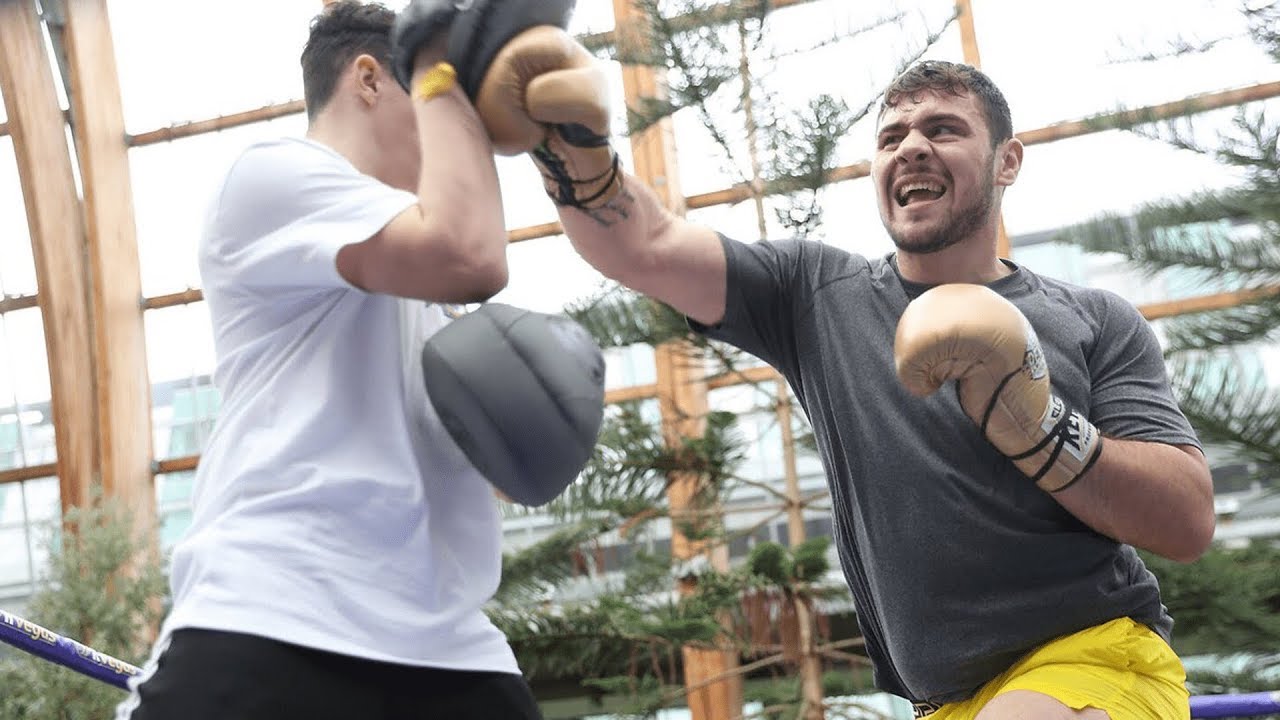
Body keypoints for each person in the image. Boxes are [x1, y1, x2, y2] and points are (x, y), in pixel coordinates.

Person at [473, 27, 1217, 720]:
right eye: (892, 138)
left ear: (1008, 161)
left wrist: (1040, 424)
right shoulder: (818, 296)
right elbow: (648, 248)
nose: (911, 148)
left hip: (1096, 657)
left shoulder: (1093, 318)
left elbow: (1186, 523)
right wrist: (573, 151)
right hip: (947, 700)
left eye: (943, 129)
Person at [114, 3, 545, 718]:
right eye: (434, 94)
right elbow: (471, 253)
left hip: (445, 643)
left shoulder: (423, 296)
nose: (454, 124)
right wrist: (445, 69)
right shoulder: (272, 176)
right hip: (276, 610)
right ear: (370, 79)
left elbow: (479, 475)